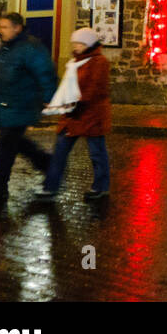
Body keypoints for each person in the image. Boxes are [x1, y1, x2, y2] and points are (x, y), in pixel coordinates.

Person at [0, 13, 58, 206]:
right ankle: (48, 164)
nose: (0, 31)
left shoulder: (30, 48)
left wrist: (49, 97)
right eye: (0, 27)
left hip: (22, 106)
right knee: (16, 145)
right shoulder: (5, 50)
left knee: (7, 148)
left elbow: (45, 73)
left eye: (4, 27)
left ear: (17, 28)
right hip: (6, 107)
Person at [35, 28, 112, 203]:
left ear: (89, 44)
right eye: (75, 43)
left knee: (97, 153)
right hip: (73, 115)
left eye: (80, 43)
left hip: (92, 115)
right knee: (60, 151)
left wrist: (74, 104)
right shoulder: (74, 63)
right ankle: (50, 186)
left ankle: (101, 187)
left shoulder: (99, 62)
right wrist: (59, 102)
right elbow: (66, 88)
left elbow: (95, 89)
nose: (76, 47)